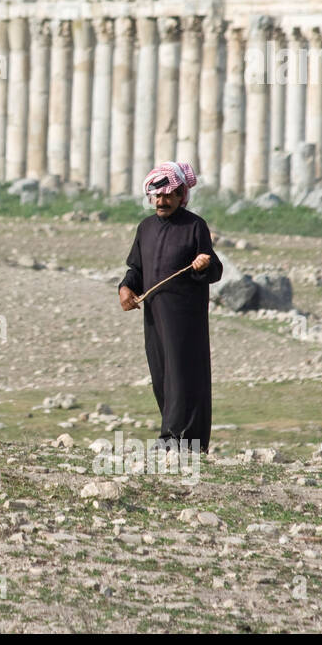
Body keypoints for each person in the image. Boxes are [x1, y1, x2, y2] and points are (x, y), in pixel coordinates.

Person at [118, 161, 222, 452]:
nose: (162, 201)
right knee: (161, 373)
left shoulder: (194, 226)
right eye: (157, 196)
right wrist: (125, 289)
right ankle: (172, 434)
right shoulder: (146, 228)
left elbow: (214, 272)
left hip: (185, 317)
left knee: (184, 374)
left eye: (168, 196)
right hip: (154, 315)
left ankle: (180, 439)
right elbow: (135, 270)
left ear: (180, 196)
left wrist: (205, 262)